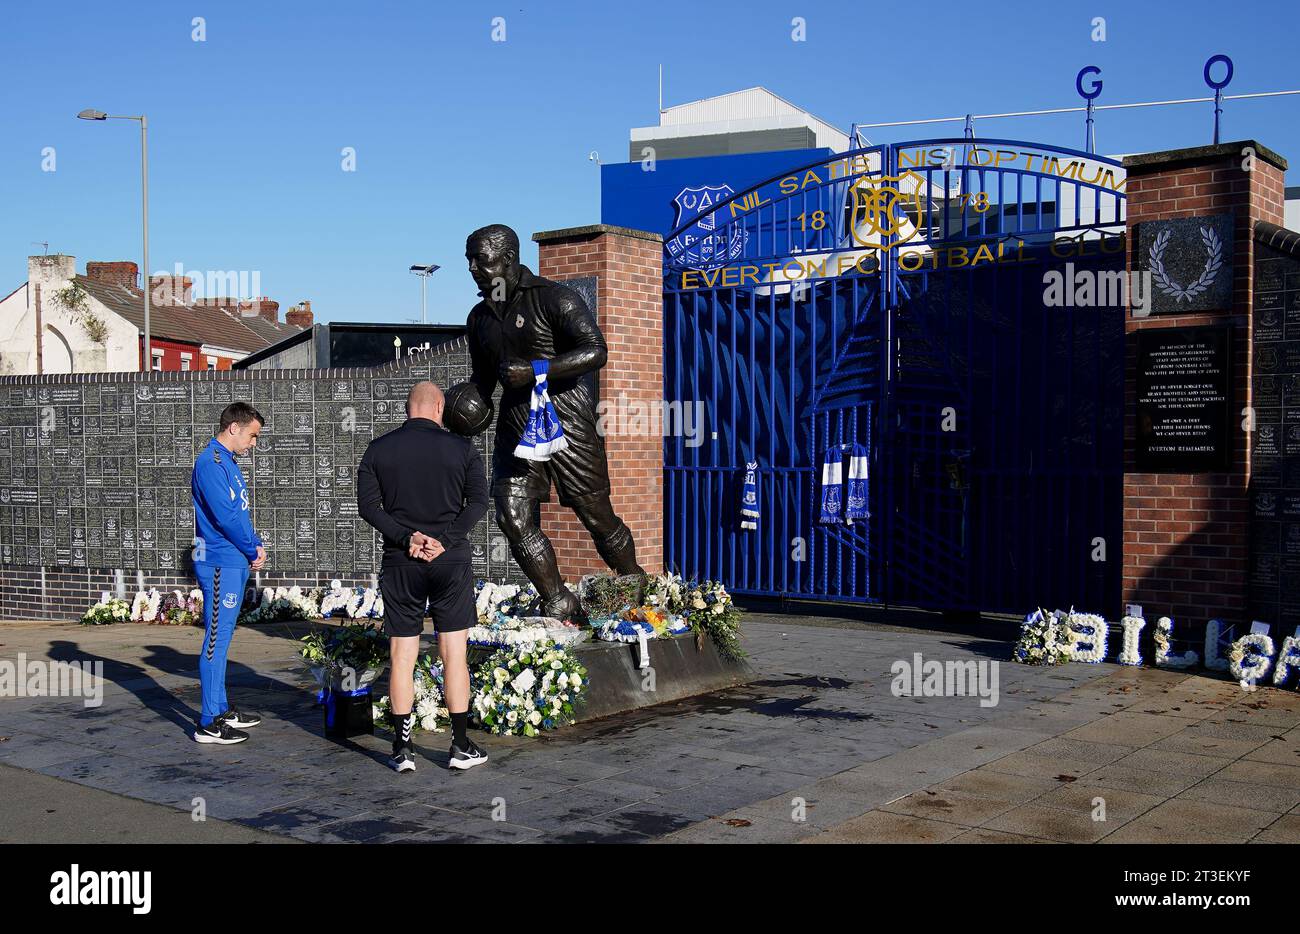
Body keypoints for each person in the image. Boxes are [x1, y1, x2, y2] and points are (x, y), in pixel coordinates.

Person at [463, 223, 644, 622]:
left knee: (594, 513)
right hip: (515, 425)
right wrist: (462, 404)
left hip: (566, 420)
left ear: (509, 259)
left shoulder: (554, 299)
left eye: (482, 259)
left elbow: (596, 351)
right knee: (511, 515)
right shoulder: (480, 318)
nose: (473, 267)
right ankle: (559, 601)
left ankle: (636, 585)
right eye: (469, 260)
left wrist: (535, 370)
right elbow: (483, 379)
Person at [357, 381, 490, 772]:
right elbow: (479, 501)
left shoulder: (379, 449)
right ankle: (460, 747)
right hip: (449, 563)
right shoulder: (463, 448)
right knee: (454, 655)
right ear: (439, 408)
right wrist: (444, 541)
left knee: (402, 657)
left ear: (408, 408)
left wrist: (405, 536)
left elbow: (369, 506)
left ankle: (402, 751)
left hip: (401, 561)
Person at [190, 402, 267, 744]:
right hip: (220, 562)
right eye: (252, 436)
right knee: (215, 643)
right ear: (233, 428)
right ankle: (208, 722)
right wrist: (252, 549)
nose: (254, 443)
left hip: (232, 559)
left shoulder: (228, 463)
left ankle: (220, 708)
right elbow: (225, 518)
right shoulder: (211, 463)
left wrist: (255, 543)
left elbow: (240, 513)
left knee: (222, 639)